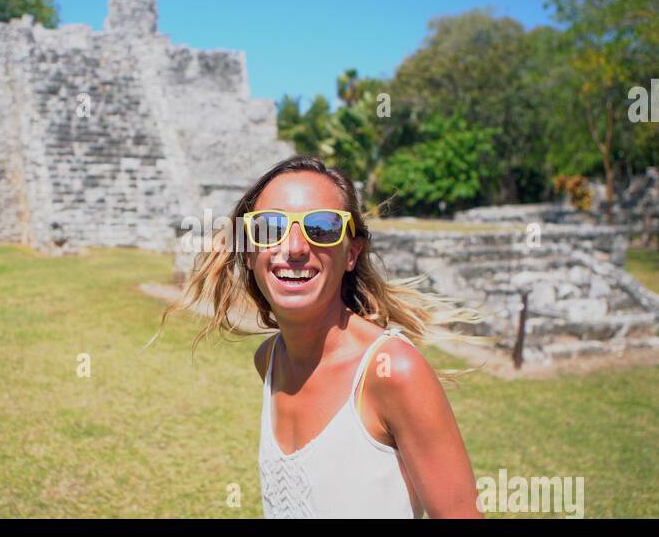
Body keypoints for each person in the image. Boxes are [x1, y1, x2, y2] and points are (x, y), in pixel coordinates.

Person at [158, 156, 484, 518]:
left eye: (322, 228)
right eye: (270, 228)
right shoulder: (270, 360)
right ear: (249, 252)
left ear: (351, 254)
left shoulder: (392, 372)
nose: (294, 247)